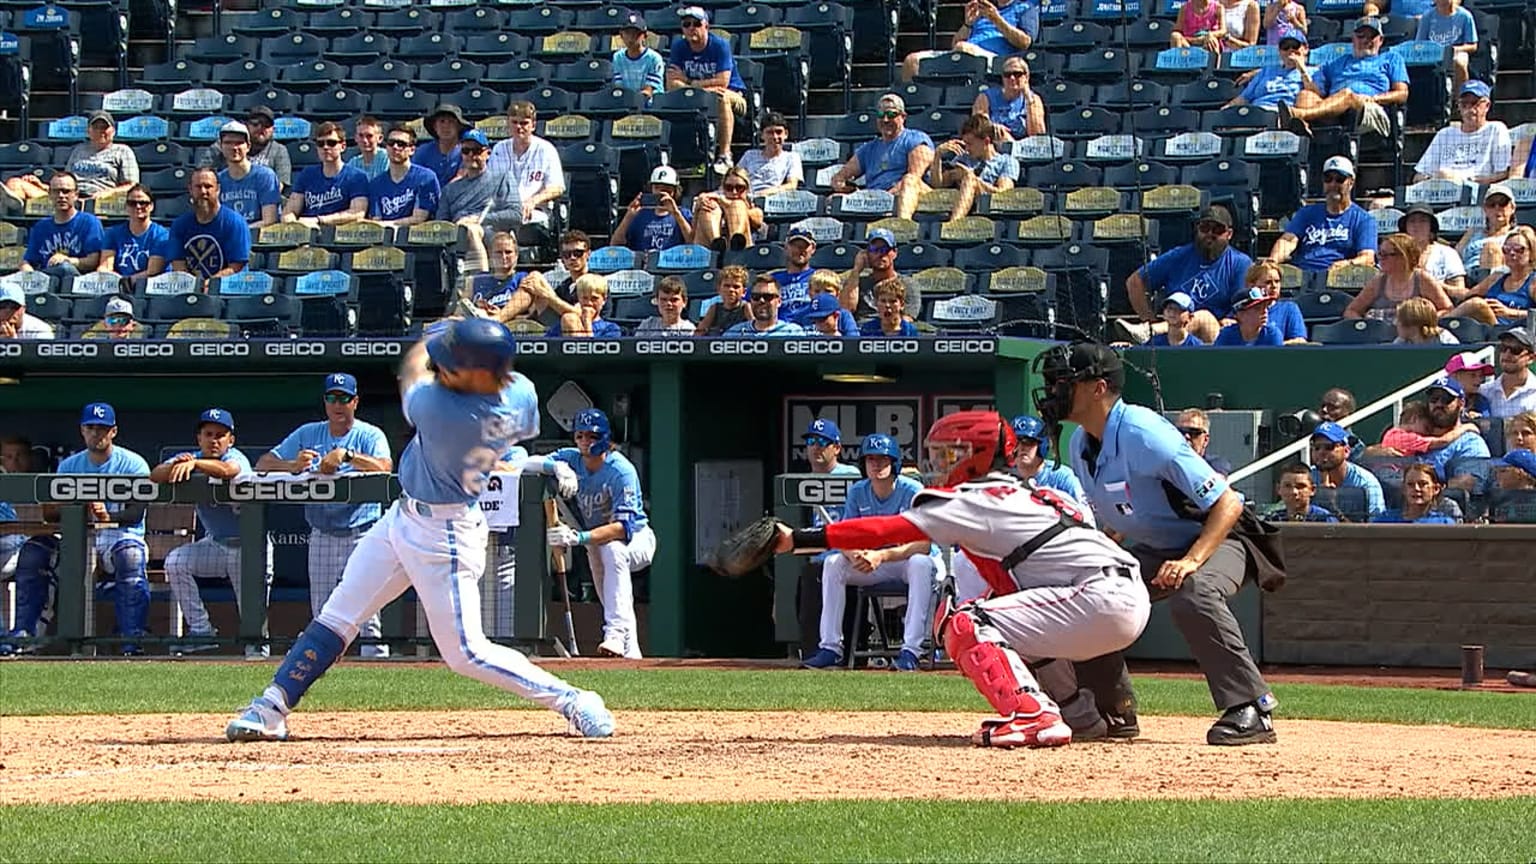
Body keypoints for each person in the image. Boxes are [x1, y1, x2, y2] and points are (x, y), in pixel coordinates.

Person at [225, 318, 614, 742]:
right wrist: (465, 336)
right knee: (339, 614)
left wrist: (432, 334)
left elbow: (411, 368)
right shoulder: (519, 391)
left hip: (444, 535)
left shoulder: (442, 410)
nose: (444, 370)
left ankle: (574, 699)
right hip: (402, 518)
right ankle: (272, 705)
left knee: (466, 653)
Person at [772, 410, 1150, 747]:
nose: (940, 462)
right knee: (1009, 621)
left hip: (1098, 597)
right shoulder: (1040, 493)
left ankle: (1035, 715)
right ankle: (1080, 715)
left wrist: (798, 540)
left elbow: (885, 529)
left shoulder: (974, 498)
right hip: (1119, 594)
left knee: (967, 621)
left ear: (978, 457)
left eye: (950, 453)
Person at [1040, 341, 1281, 745]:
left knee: (1195, 590)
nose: (1054, 392)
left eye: (1064, 382)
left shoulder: (1142, 431)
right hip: (1157, 546)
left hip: (1221, 537)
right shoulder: (1081, 444)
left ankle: (1251, 708)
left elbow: (1228, 501)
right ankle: (1113, 709)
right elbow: (1120, 518)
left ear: (1098, 388)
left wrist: (1192, 560)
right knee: (1094, 594)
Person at [256, 374, 394, 659]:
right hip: (323, 532)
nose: (338, 404)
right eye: (332, 398)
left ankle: (378, 665)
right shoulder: (309, 433)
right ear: (325, 402)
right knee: (324, 611)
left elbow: (384, 467)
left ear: (355, 402)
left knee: (368, 608)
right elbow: (263, 464)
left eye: (344, 398)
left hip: (363, 532)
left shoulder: (369, 434)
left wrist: (346, 456)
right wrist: (292, 464)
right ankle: (323, 671)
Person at [1, 403, 150, 656]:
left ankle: (131, 639)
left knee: (131, 557)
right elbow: (50, 513)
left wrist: (108, 517)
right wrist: (80, 509)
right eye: (91, 428)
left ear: (113, 431)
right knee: (34, 551)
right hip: (77, 535)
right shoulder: (70, 465)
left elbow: (136, 513)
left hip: (120, 535)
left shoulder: (133, 464)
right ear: (82, 430)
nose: (96, 433)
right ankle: (24, 634)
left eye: (102, 429)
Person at [800, 433, 940, 672]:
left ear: (894, 463)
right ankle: (831, 647)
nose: (876, 464)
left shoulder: (912, 489)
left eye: (883, 459)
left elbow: (924, 544)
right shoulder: (858, 491)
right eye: (871, 459)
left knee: (920, 563)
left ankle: (911, 651)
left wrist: (881, 556)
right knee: (834, 562)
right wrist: (855, 555)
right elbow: (843, 536)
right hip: (873, 563)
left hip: (908, 562)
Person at [153, 408, 272, 657]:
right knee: (176, 562)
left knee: (253, 622)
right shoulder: (191, 457)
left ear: (231, 439)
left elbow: (229, 471)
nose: (214, 440)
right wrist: (178, 464)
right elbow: (155, 475)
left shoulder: (236, 457)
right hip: (216, 546)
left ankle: (257, 654)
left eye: (221, 435)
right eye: (208, 434)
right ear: (199, 438)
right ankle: (201, 632)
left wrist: (196, 464)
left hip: (250, 549)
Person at [548, 409, 654, 659]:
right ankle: (630, 651)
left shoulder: (621, 470)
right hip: (595, 543)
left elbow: (622, 528)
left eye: (592, 436)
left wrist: (578, 538)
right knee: (613, 598)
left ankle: (615, 634)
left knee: (614, 549)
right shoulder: (571, 460)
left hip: (637, 539)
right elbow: (528, 463)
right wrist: (555, 468)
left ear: (605, 438)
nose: (585, 442)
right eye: (580, 436)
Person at [1124, 206, 1252, 343]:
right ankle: (1153, 329)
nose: (1210, 234)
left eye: (1217, 229)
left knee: (1203, 317)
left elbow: (1243, 305)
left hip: (1217, 338)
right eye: (1205, 228)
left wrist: (1231, 319)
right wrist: (1149, 318)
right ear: (1197, 229)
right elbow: (1135, 281)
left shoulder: (1240, 263)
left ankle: (1150, 331)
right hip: (1174, 335)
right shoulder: (1179, 256)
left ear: (1229, 234)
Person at [1277, 17, 1408, 139]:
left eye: (1371, 36)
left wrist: (1375, 98)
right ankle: (1303, 135)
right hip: (1334, 111)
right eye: (1360, 36)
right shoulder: (1336, 63)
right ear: (1353, 39)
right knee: (1305, 95)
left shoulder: (1391, 59)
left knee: (1347, 94)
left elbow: (1402, 93)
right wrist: (1302, 69)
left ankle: (1300, 115)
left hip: (1370, 110)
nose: (1365, 40)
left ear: (1381, 40)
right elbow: (1317, 92)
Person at [665, 6, 749, 176]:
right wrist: (697, 88)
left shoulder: (720, 45)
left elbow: (722, 82)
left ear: (706, 26)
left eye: (696, 23)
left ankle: (725, 155)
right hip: (699, 98)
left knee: (720, 96)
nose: (691, 28)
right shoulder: (679, 47)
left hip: (734, 96)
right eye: (686, 24)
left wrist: (688, 82)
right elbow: (671, 84)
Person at [828, 93, 933, 221]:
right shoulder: (868, 149)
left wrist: (884, 199)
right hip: (874, 200)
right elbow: (839, 176)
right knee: (831, 200)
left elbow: (914, 177)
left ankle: (903, 225)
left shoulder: (916, 139)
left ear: (903, 117)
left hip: (903, 196)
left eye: (891, 115)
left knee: (909, 180)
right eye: (880, 115)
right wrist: (841, 186)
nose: (885, 120)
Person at [1266, 155, 1377, 272]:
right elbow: (1288, 241)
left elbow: (1367, 258)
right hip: (1303, 275)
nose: (1333, 184)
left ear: (1351, 182)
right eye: (1328, 179)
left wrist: (1347, 264)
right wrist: (1272, 261)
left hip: (1339, 279)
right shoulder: (1306, 213)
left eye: (1340, 179)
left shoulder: (1364, 219)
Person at [900, 0, 1039, 81]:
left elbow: (1025, 42)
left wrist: (997, 20)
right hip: (963, 52)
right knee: (912, 61)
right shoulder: (983, 9)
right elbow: (955, 44)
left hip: (996, 61)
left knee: (964, 48)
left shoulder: (1026, 8)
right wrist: (968, 23)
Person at [485, 101, 565, 230]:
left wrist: (532, 201)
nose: (519, 127)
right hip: (503, 211)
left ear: (533, 125)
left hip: (535, 211)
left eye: (524, 123)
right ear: (508, 124)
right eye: (514, 122)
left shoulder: (546, 149)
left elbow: (557, 187)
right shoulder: (499, 149)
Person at [1413, 81, 1509, 185]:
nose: (1469, 110)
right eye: (1464, 104)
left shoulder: (1496, 129)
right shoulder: (1444, 135)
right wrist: (1433, 179)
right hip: (1442, 190)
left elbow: (1503, 174)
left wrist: (1465, 182)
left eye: (1474, 103)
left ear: (1487, 106)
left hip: (1478, 192)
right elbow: (1419, 176)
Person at [168, 168, 250, 287]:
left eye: (208, 186)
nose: (203, 191)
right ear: (190, 189)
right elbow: (177, 264)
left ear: (217, 189)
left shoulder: (235, 223)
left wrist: (209, 284)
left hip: (229, 289)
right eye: (198, 186)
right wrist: (192, 286)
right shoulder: (179, 225)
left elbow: (236, 267)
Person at [1344, 233, 1453, 320]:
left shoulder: (1422, 280)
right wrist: (1365, 326)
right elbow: (1351, 311)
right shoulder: (1378, 281)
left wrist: (1426, 321)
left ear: (1404, 257)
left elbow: (1448, 309)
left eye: (1386, 255)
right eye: (1380, 254)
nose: (1381, 259)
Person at [930, 114, 1017, 223]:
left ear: (986, 141)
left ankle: (953, 224)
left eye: (970, 144)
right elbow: (937, 185)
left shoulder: (1006, 161)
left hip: (990, 210)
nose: (967, 149)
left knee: (969, 179)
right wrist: (937, 156)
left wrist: (972, 179)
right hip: (963, 204)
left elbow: (1003, 194)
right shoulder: (963, 158)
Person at [19, 171, 105, 279]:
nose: (61, 196)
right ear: (49, 194)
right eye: (56, 191)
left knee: (65, 267)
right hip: (47, 278)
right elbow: (28, 260)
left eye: (66, 191)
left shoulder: (89, 222)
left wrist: (68, 260)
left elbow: (94, 260)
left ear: (76, 195)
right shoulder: (40, 227)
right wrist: (28, 273)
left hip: (77, 280)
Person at [283, 122, 369, 229]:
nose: (325, 147)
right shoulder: (307, 174)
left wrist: (319, 220)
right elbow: (290, 210)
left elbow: (357, 214)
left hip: (340, 236)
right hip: (307, 235)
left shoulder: (357, 177)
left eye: (331, 143)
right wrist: (293, 224)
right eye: (320, 144)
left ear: (343, 146)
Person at [1451, 223, 1535, 326]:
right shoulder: (1496, 278)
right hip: (1487, 328)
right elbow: (1467, 295)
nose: (1512, 253)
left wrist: (1510, 312)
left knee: (1477, 304)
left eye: (1519, 249)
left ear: (1531, 253)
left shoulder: (1532, 283)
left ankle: (1439, 325)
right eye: (1506, 249)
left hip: (1514, 333)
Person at [437, 130, 498, 272]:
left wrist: (479, 219)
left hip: (492, 232)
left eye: (476, 150)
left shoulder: (502, 179)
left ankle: (481, 280)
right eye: (466, 151)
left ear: (487, 153)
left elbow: (515, 214)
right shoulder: (450, 189)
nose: (471, 155)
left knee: (471, 230)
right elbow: (441, 222)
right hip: (457, 234)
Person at [1422, 375, 1492, 490]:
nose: (1439, 404)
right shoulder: (1415, 435)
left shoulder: (1471, 442)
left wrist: (1428, 490)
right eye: (1434, 399)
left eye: (1446, 399)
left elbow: (1468, 482)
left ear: (1461, 403)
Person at [368, 122, 441, 229]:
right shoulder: (376, 183)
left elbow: (419, 218)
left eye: (401, 144)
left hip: (416, 238)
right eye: (391, 143)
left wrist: (389, 225)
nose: (395, 147)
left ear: (412, 149)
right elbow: (376, 219)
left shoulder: (426, 177)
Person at [1309, 421, 1386, 520]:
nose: (1321, 452)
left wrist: (1332, 507)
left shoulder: (1365, 483)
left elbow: (1375, 527)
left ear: (1346, 451)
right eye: (1316, 447)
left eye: (1329, 447)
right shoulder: (1306, 478)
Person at [839, 227, 922, 319]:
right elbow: (846, 310)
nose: (880, 254)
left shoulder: (908, 284)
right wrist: (856, 270)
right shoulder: (858, 283)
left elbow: (907, 320)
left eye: (885, 249)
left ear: (894, 253)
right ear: (867, 253)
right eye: (874, 249)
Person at [216, 121, 282, 229]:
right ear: (221, 147)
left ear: (248, 146)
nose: (234, 147)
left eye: (239, 143)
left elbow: (270, 220)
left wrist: (239, 232)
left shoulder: (265, 176)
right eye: (228, 143)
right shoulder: (217, 180)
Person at [613, 165, 693, 253]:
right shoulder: (640, 215)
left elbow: (693, 243)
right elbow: (615, 245)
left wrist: (676, 214)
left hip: (673, 263)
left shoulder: (684, 213)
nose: (660, 193)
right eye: (657, 188)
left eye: (666, 190)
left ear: (674, 192)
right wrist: (628, 216)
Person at [97, 183, 169, 279]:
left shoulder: (161, 235)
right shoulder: (113, 233)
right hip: (118, 286)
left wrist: (126, 281)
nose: (138, 207)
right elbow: (105, 267)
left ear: (151, 206)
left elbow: (153, 271)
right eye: (132, 203)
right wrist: (115, 280)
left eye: (143, 203)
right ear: (126, 206)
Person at [1225, 32, 1311, 111]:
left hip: (1283, 114)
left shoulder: (1313, 72)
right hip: (1256, 112)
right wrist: (1222, 112)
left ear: (1306, 49)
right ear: (1279, 51)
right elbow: (1244, 98)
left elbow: (1313, 96)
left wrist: (1302, 69)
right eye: (1285, 47)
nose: (1290, 50)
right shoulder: (1267, 71)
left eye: (1295, 46)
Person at [65, 110, 138, 200]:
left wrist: (110, 192)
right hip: (74, 198)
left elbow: (131, 185)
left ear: (113, 131)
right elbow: (67, 179)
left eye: (104, 127)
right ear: (88, 131)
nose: (100, 131)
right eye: (96, 127)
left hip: (104, 199)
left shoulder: (123, 151)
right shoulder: (78, 149)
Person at [1009, 415, 1085, 501]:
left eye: (1028, 442)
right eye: (1015, 442)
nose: (1021, 448)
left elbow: (1084, 510)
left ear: (1042, 446)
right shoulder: (1007, 476)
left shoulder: (1062, 477)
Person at [971, 56, 1046, 141]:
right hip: (995, 145)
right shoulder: (986, 97)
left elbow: (1037, 136)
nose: (1012, 78)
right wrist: (992, 128)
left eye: (1017, 74)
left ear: (1026, 77)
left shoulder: (1034, 100)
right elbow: (978, 128)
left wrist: (1028, 98)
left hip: (1024, 147)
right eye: (1007, 75)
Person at [1398, 205, 1466, 297]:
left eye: (1423, 221)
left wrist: (1431, 285)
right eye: (1412, 221)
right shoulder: (1394, 254)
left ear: (1431, 227)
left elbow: (1461, 292)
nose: (1417, 225)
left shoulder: (1448, 253)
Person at [692, 166, 763, 252]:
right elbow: (691, 236)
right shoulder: (715, 206)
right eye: (729, 188)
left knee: (738, 204)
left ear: (747, 189)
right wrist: (697, 208)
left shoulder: (751, 208)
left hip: (742, 253)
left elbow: (758, 219)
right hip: (710, 250)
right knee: (708, 209)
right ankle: (717, 243)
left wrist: (725, 203)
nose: (734, 192)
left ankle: (736, 240)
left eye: (739, 188)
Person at [1416, 0, 1479, 90]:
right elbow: (1419, 44)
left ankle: (1460, 99)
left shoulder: (1465, 16)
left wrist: (1453, 50)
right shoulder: (1427, 17)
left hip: (1456, 52)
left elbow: (1473, 46)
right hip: (1433, 54)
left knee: (1460, 62)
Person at [737, 112, 803, 196]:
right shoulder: (749, 155)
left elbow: (791, 185)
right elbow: (734, 177)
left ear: (786, 134)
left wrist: (762, 194)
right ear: (762, 135)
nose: (775, 137)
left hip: (773, 200)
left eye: (779, 132)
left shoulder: (791, 157)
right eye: (770, 133)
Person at [1458, 182, 1517, 273]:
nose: (1497, 208)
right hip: (1467, 276)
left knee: (1490, 248)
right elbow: (1455, 255)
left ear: (1512, 208)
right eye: (1491, 204)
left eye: (1502, 203)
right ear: (1485, 209)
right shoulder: (1472, 232)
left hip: (1497, 278)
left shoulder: (1519, 233)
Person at [1376, 463, 1459, 523]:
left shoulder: (1444, 523)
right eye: (1410, 485)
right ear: (1404, 489)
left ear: (1436, 489)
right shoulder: (1385, 520)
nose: (1416, 488)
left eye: (1422, 484)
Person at [726, 273, 806, 336]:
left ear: (779, 302)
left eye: (768, 297)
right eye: (756, 297)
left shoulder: (793, 333)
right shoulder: (734, 333)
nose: (761, 301)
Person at [1481, 326, 1536, 417]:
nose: (1507, 354)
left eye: (1515, 350)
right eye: (1503, 348)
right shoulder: (1485, 392)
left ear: (1531, 358)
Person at [547, 273, 623, 338]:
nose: (589, 303)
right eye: (584, 298)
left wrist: (587, 322)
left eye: (594, 298)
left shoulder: (611, 328)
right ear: (578, 298)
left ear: (604, 300)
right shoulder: (562, 325)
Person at [612, 12, 665, 100]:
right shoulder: (618, 57)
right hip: (626, 102)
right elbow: (619, 86)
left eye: (636, 33)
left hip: (650, 104)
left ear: (644, 36)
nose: (631, 37)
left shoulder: (654, 58)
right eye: (627, 33)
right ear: (621, 35)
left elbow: (648, 90)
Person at [415, 104, 469, 189]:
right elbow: (415, 178)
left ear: (459, 126)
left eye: (451, 122)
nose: (446, 126)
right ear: (435, 127)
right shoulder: (422, 152)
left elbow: (462, 178)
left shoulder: (468, 151)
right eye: (442, 121)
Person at [470, 231, 525, 314]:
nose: (503, 257)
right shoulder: (477, 279)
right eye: (499, 252)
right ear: (490, 255)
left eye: (508, 252)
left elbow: (529, 316)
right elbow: (460, 311)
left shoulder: (523, 279)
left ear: (516, 255)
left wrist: (502, 314)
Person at [1264, 463, 1339, 522]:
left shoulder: (1325, 519)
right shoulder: (1272, 520)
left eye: (1300, 486)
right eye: (1287, 486)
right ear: (1278, 489)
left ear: (1312, 490)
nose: (1294, 492)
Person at [773, 226, 818, 322]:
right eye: (795, 246)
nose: (799, 250)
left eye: (804, 246)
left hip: (811, 331)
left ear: (813, 249)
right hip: (780, 332)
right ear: (786, 248)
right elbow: (748, 302)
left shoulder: (820, 278)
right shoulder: (772, 280)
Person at [1213, 286, 1284, 346]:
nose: (1265, 311)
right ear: (1240, 314)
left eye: (1266, 307)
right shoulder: (1227, 335)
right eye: (1257, 308)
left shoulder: (1272, 335)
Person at [694, 264, 751, 336]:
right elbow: (698, 334)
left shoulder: (745, 307)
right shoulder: (714, 308)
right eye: (726, 286)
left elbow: (754, 330)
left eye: (736, 287)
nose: (731, 290)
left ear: (744, 292)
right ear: (719, 289)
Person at [1175, 408, 1234, 476]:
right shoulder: (1165, 465)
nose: (1186, 436)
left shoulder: (1216, 464)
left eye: (1193, 432)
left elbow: (1217, 481)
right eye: (1180, 431)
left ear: (1205, 440)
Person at [804, 269, 858, 335]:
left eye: (828, 291)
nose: (822, 295)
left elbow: (853, 340)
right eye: (817, 291)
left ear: (837, 293)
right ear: (810, 293)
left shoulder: (844, 315)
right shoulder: (801, 314)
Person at [1444, 351, 1494, 416]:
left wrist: (1479, 420)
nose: (1479, 380)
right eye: (1473, 375)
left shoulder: (1481, 401)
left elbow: (1487, 422)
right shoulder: (1441, 399)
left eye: (1481, 375)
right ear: (1455, 376)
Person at [1392, 297, 1459, 345]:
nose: (1395, 323)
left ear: (1411, 325)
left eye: (1399, 320)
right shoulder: (1400, 343)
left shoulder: (1444, 339)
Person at [82, 295, 150, 339]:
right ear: (105, 324)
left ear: (132, 325)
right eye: (113, 321)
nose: (118, 326)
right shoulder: (93, 343)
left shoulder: (143, 340)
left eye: (124, 321)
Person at [346, 115, 388, 180]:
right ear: (356, 138)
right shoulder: (353, 163)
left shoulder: (387, 159)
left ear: (380, 138)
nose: (364, 140)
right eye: (361, 135)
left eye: (369, 136)